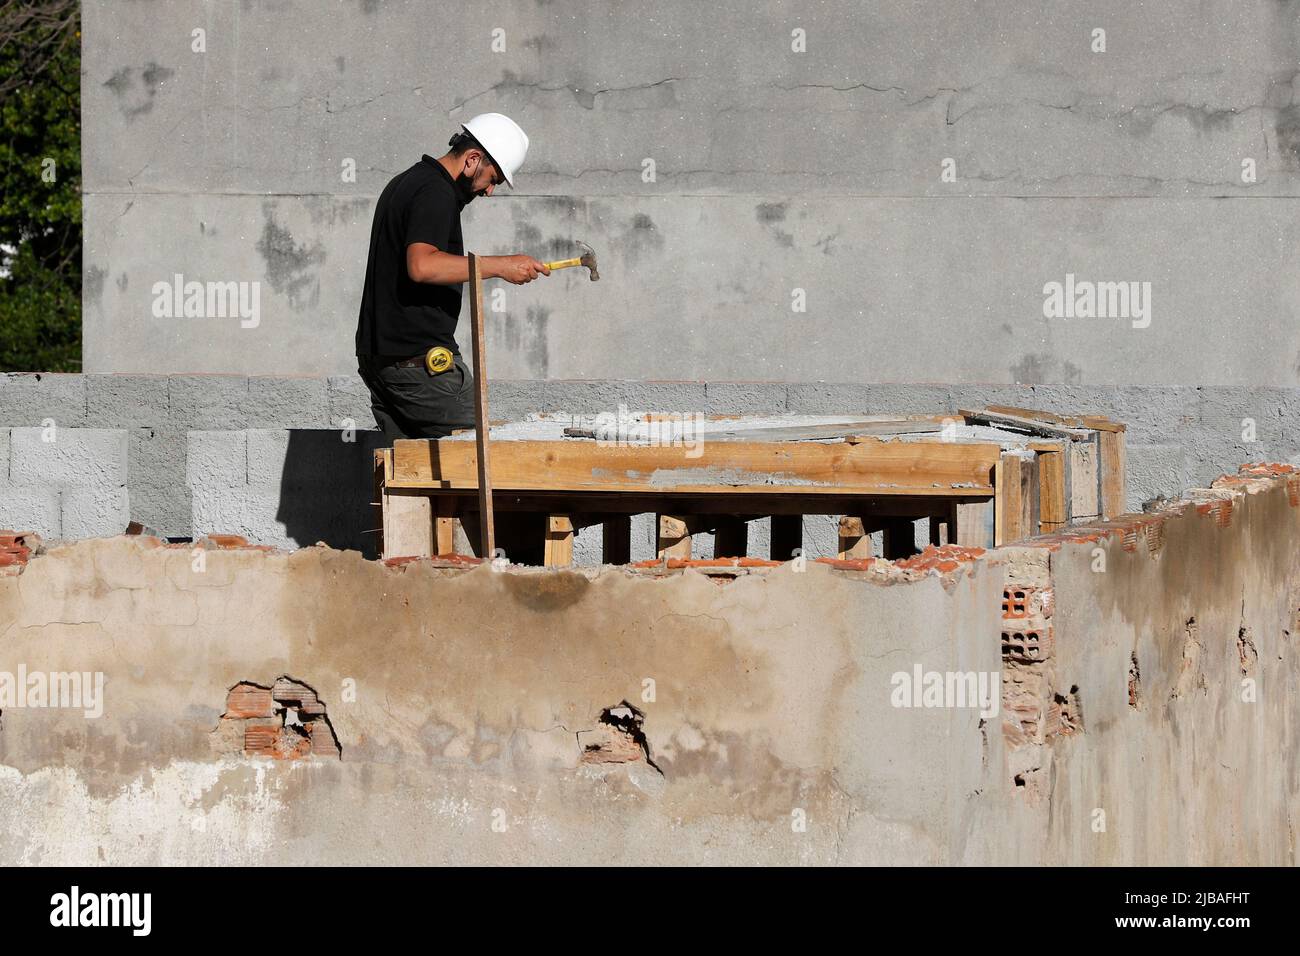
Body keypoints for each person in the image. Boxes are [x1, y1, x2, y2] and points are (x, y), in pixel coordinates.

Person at [354, 112, 549, 441]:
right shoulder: (435, 192)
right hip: (420, 367)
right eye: (493, 179)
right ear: (473, 158)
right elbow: (422, 266)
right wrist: (501, 265)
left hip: (385, 362)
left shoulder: (408, 182)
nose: (489, 192)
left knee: (411, 478)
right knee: (481, 461)